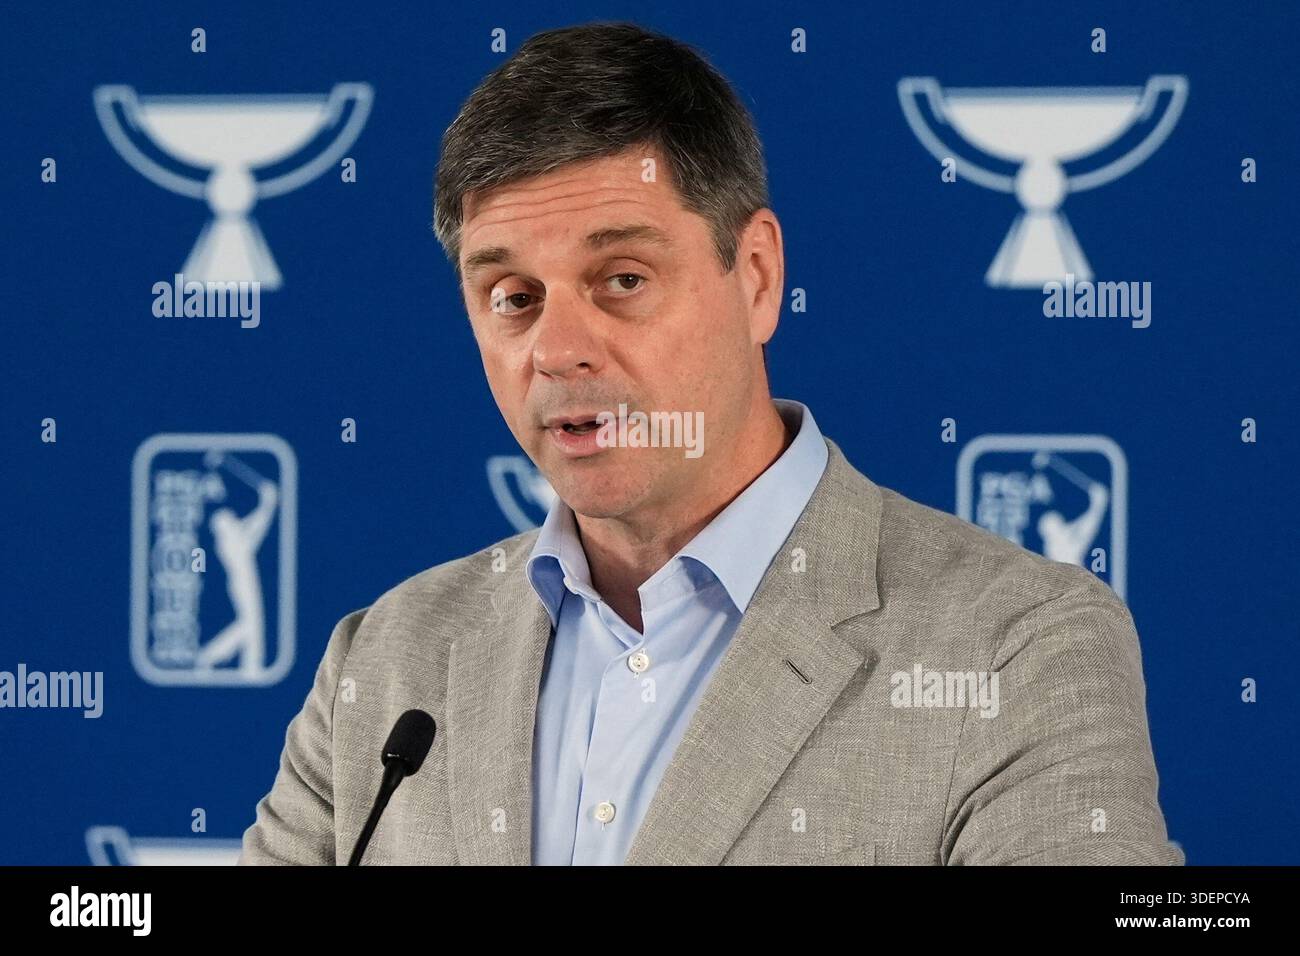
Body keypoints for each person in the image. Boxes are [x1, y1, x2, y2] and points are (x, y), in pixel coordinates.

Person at [239, 20, 1181, 865]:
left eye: (621, 279)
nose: (559, 350)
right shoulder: (387, 658)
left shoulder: (1015, 648)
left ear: (758, 277)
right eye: (514, 298)